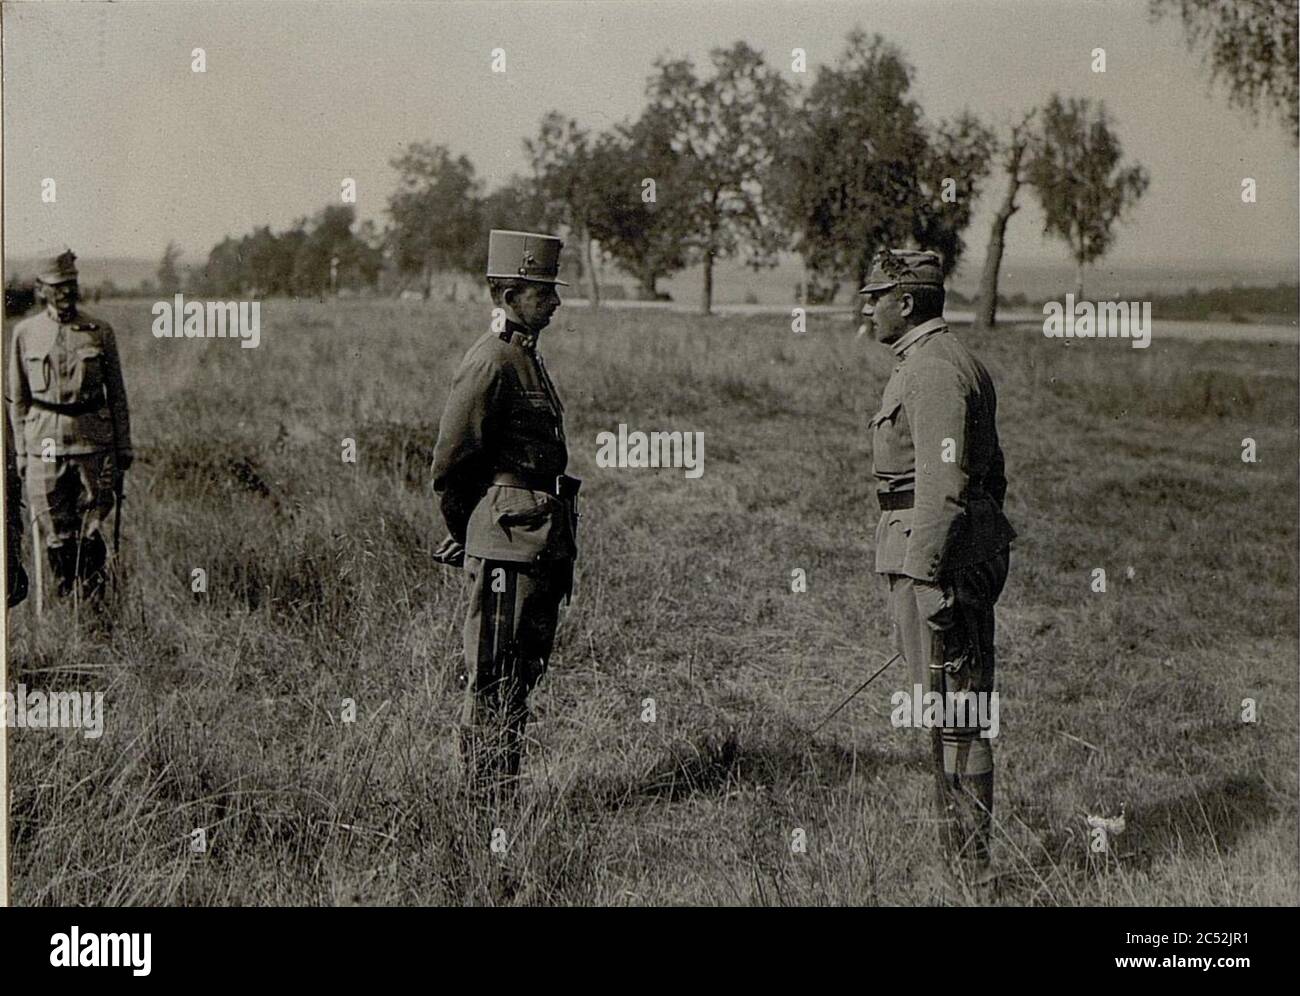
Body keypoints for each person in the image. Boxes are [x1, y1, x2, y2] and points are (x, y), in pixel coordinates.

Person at [861, 249, 1016, 882]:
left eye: (876, 297)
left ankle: (970, 875)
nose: (867, 309)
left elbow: (945, 486)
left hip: (937, 559)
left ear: (907, 303)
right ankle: (961, 866)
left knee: (959, 715)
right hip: (950, 552)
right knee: (952, 710)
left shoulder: (930, 371)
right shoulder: (943, 360)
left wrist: (929, 574)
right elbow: (992, 478)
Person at [431, 230, 579, 801]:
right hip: (506, 545)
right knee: (493, 677)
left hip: (534, 542)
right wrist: (469, 531)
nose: (555, 302)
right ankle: (483, 804)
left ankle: (501, 795)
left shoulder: (524, 356)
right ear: (510, 295)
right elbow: (451, 464)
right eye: (544, 292)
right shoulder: (491, 361)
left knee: (521, 674)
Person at [6, 249, 132, 606]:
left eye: (70, 284)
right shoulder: (26, 333)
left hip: (93, 442)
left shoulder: (99, 332)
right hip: (44, 443)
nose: (65, 292)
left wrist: (123, 445)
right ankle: (65, 598)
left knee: (93, 522)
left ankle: (95, 602)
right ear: (42, 289)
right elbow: (19, 399)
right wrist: (22, 454)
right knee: (54, 524)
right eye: (57, 286)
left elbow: (117, 395)